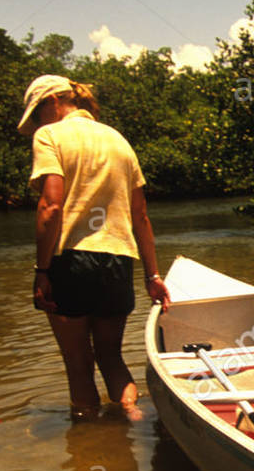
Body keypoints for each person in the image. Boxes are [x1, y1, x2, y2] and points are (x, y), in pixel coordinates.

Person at [17, 75, 171, 421]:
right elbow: (140, 215)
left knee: (77, 364)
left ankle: (90, 443)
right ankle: (133, 416)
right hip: (118, 260)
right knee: (111, 356)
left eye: (38, 114)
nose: (38, 124)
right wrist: (153, 274)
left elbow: (51, 206)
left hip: (70, 259)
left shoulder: (50, 136)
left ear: (53, 102)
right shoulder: (118, 140)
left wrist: (42, 272)